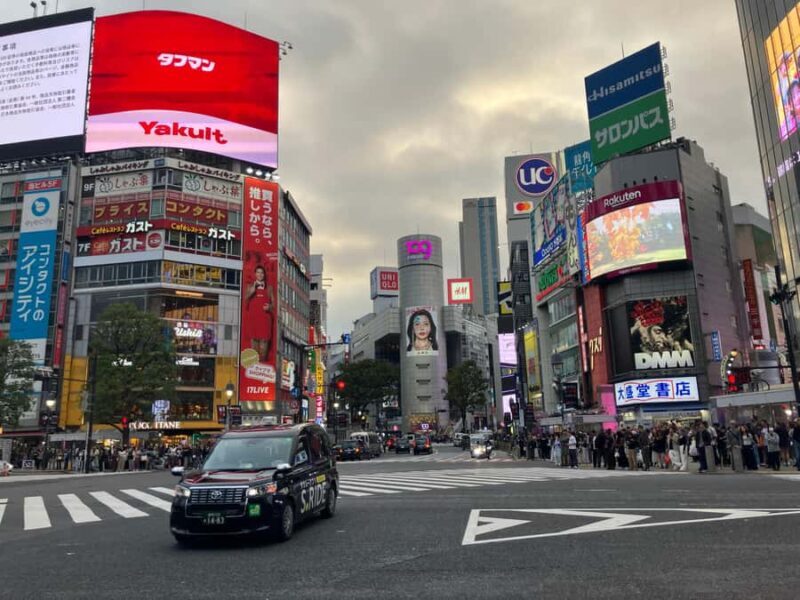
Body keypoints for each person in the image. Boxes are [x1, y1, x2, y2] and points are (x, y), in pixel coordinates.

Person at [245, 265, 275, 362]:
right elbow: (245, 299)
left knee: (263, 345)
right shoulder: (249, 287)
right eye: (258, 272)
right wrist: (251, 291)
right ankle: (255, 365)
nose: (260, 274)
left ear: (264, 274)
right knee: (254, 344)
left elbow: (274, 305)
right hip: (253, 319)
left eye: (262, 272)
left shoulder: (269, 288)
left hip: (265, 320)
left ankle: (262, 363)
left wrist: (269, 307)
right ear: (255, 274)